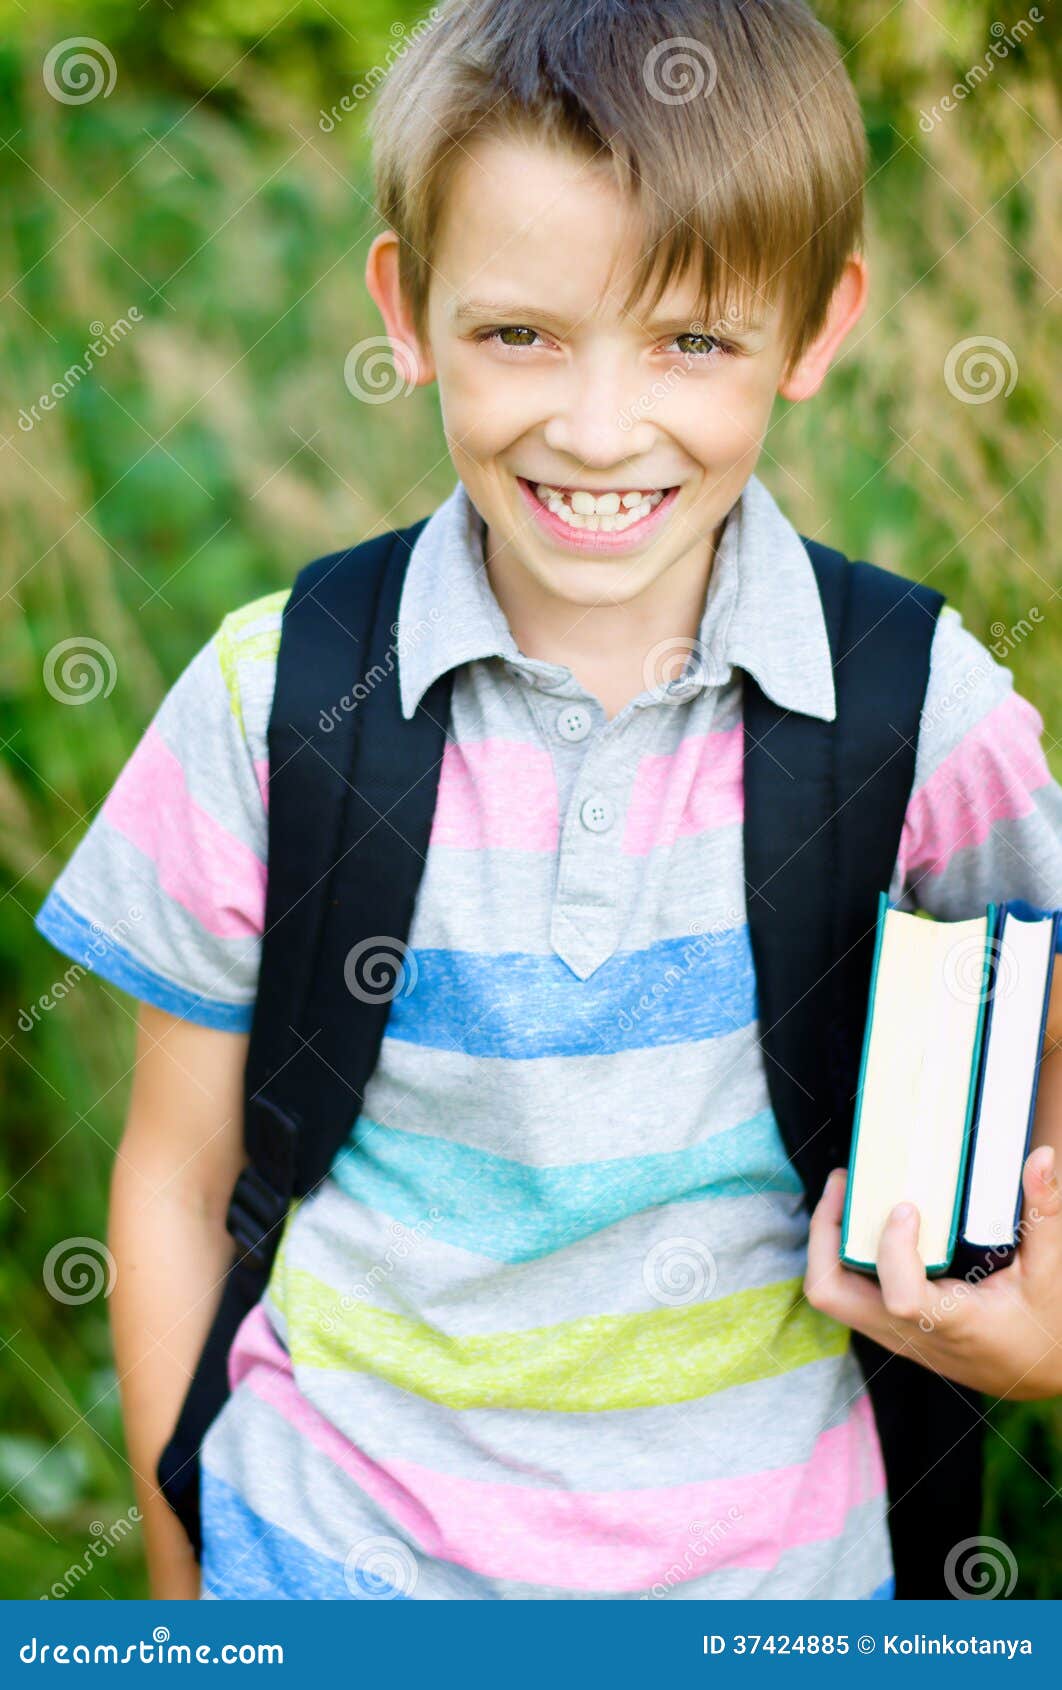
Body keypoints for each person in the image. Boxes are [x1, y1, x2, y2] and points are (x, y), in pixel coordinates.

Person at [34, 0, 1062, 1600]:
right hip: (329, 1572)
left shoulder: (921, 717)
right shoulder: (274, 698)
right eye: (519, 333)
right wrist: (185, 1579)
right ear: (407, 305)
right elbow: (172, 1175)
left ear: (814, 328)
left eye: (691, 340)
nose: (595, 428)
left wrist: (1032, 1325)